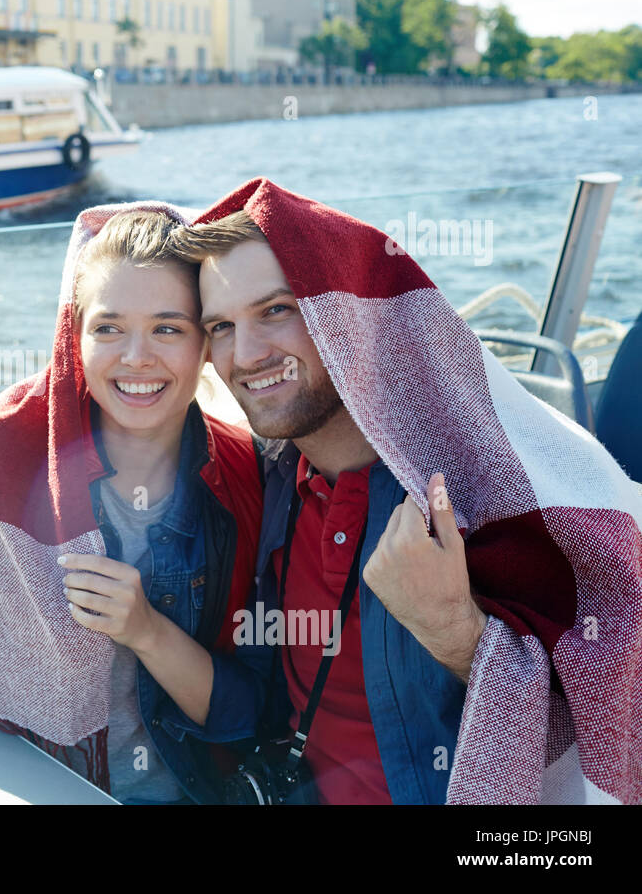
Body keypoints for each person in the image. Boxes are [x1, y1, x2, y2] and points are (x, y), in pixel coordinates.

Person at [166, 177, 642, 804]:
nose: (246, 354)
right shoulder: (272, 480)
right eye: (220, 326)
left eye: (277, 310)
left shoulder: (482, 493)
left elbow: (613, 717)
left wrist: (453, 629)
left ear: (347, 317)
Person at [0, 201, 263, 804]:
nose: (136, 356)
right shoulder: (2, 452)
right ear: (75, 337)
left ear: (206, 344)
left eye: (168, 327)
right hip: (34, 784)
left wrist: (147, 631)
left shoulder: (243, 476)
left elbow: (247, 717)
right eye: (108, 327)